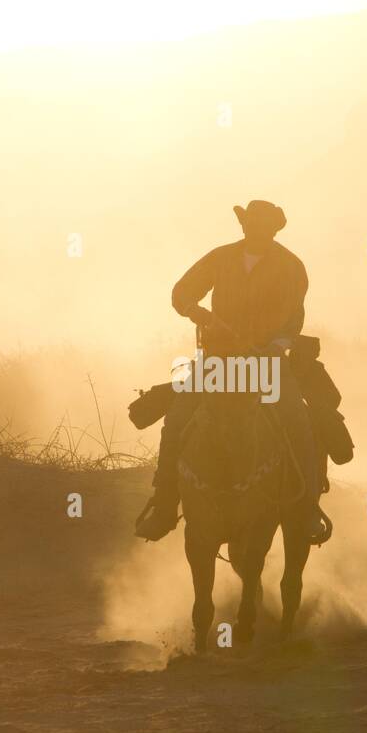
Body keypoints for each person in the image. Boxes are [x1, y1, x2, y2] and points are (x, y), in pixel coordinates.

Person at [134, 200, 321, 542]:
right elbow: (182, 292)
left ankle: (307, 510)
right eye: (251, 224)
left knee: (298, 422)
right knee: (177, 420)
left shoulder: (292, 267)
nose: (255, 231)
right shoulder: (220, 258)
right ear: (244, 225)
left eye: (262, 227)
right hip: (218, 361)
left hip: (267, 364)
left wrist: (278, 345)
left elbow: (294, 317)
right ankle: (164, 506)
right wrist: (195, 310)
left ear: (274, 230)